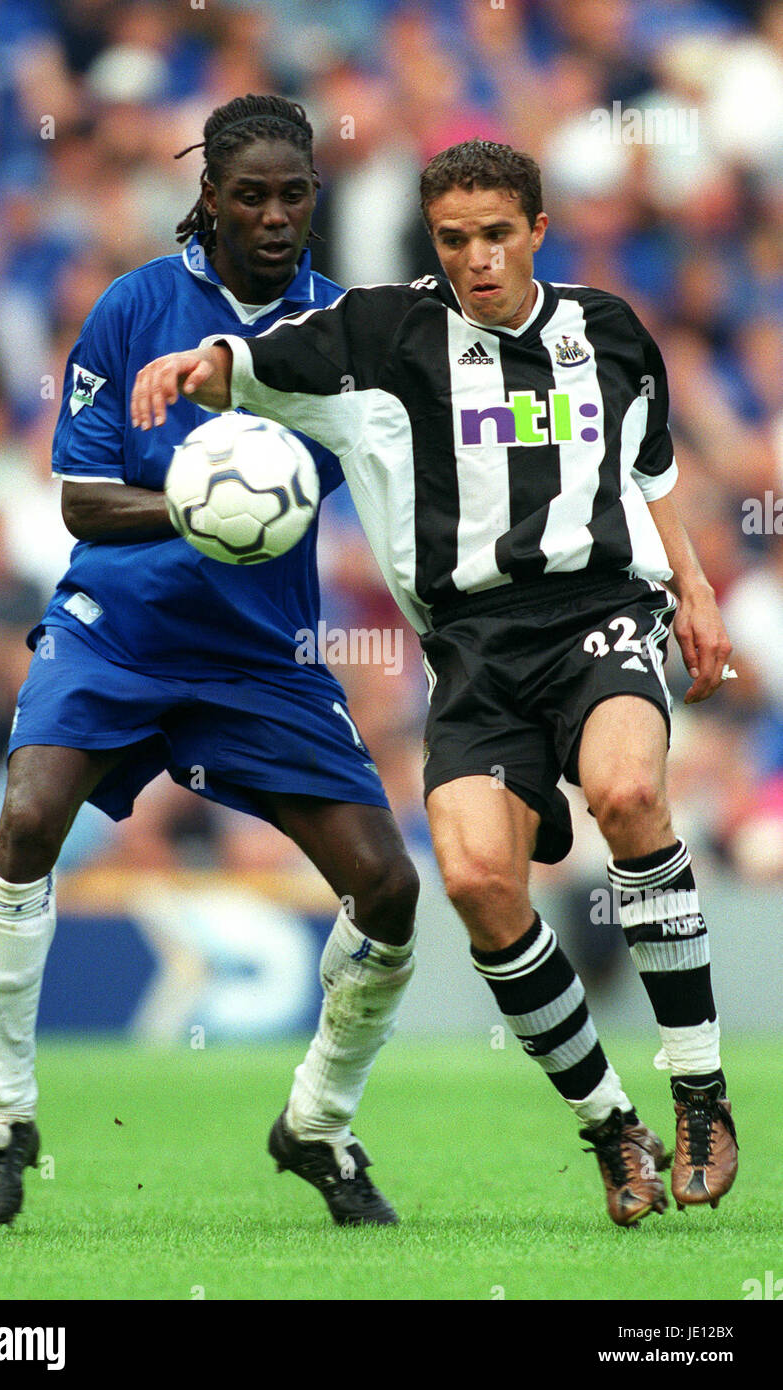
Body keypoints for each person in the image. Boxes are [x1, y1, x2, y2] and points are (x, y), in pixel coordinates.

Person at [132, 140, 738, 1227]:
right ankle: (610, 1125)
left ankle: (697, 1088)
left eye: (495, 234)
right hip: (469, 648)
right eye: (454, 239)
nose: (476, 258)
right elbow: (261, 357)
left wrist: (690, 588)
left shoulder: (605, 331)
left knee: (630, 796)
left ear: (536, 230)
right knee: (471, 882)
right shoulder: (385, 331)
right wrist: (196, 369)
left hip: (595, 612)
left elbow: (648, 473)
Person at [0, 94, 420, 1232]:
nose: (274, 217)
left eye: (294, 194)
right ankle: (0, 1116)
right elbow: (80, 498)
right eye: (250, 195)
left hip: (260, 657)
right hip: (115, 633)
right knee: (27, 818)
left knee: (390, 888)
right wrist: (197, 506)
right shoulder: (133, 308)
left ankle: (317, 1121)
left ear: (316, 196)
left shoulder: (344, 328)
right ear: (207, 194)